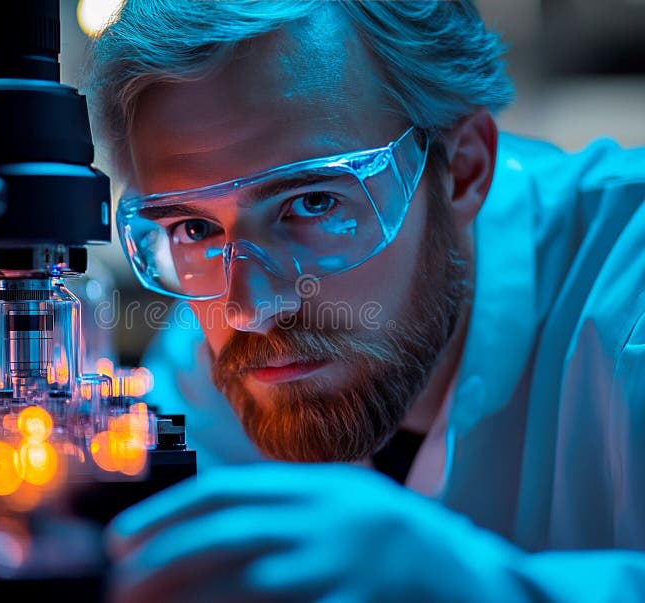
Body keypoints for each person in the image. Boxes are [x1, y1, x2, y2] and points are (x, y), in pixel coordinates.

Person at [85, 0, 645, 600]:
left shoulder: (626, 301)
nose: (250, 309)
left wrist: (478, 590)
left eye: (314, 203)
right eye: (195, 229)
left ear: (462, 171)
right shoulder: (208, 363)